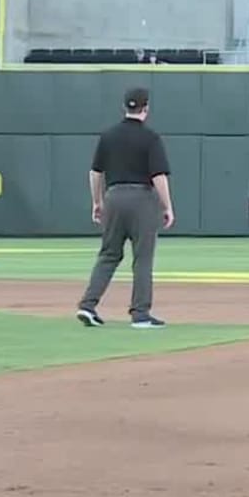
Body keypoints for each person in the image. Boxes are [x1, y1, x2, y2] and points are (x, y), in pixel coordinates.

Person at [78, 87, 174, 329]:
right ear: (146, 108)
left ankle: (87, 305)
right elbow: (158, 175)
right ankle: (140, 314)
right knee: (142, 258)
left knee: (108, 254)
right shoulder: (150, 137)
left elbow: (95, 172)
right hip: (141, 199)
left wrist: (97, 202)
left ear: (125, 107)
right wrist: (167, 206)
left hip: (114, 197)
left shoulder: (108, 136)